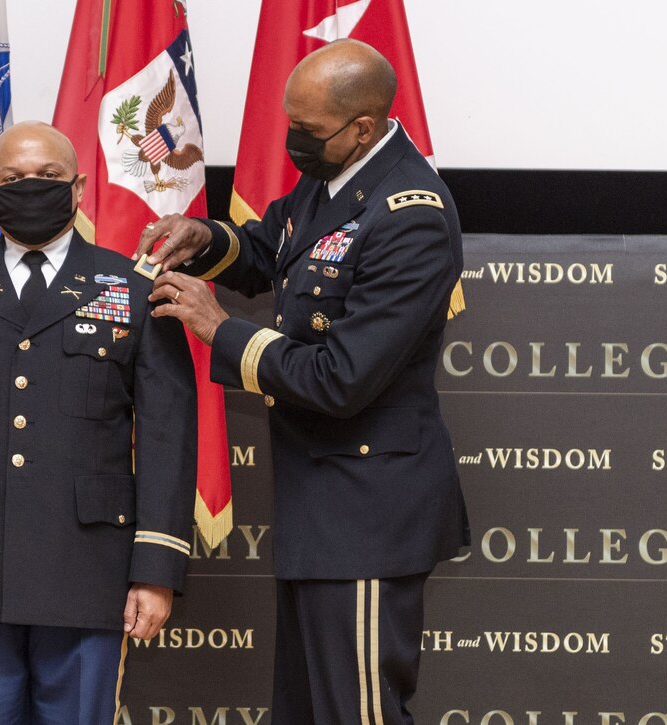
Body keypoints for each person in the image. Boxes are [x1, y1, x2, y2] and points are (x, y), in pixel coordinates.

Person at [134, 39, 470, 724]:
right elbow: (274, 250)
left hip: (370, 513)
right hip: (321, 507)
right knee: (304, 711)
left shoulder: (412, 218)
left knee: (358, 712)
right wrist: (204, 238)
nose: (292, 142)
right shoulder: (337, 178)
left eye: (308, 132)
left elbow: (340, 378)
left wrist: (219, 327)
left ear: (363, 127)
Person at [0, 121, 197, 724]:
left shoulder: (131, 288)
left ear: (77, 189)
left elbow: (167, 439)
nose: (32, 188)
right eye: (14, 179)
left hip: (87, 570)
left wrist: (156, 572)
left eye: (48, 177)